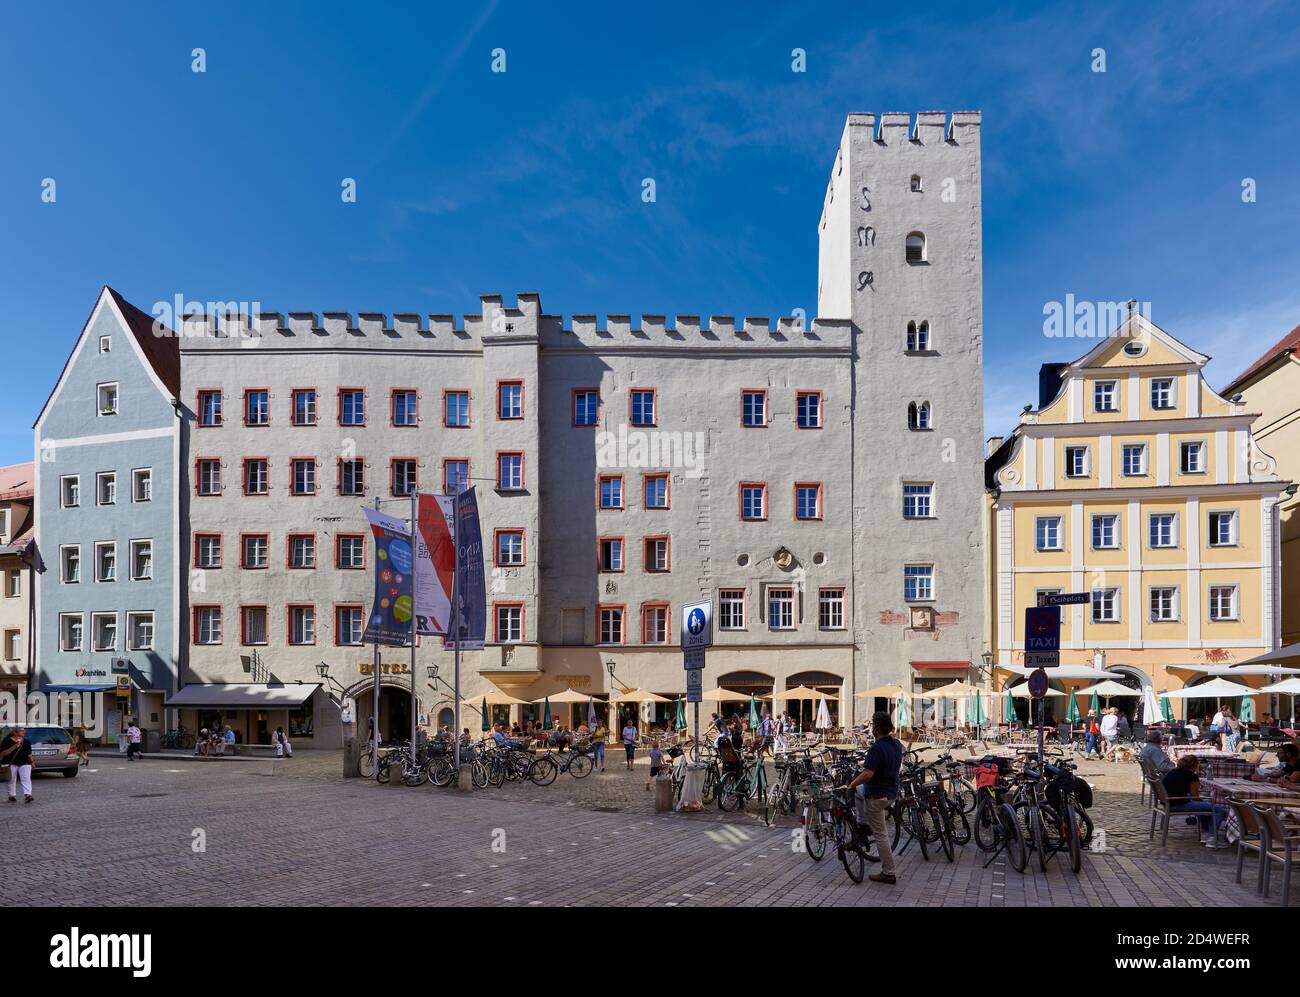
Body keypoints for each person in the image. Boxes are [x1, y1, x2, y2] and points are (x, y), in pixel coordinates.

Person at [845, 712, 903, 884]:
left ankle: (889, 872)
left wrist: (850, 784)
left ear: (876, 729)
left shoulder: (876, 748)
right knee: (858, 792)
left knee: (881, 835)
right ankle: (863, 825)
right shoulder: (896, 744)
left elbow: (868, 773)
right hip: (891, 791)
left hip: (877, 795)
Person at [1161, 755, 1227, 848]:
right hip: (1179, 804)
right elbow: (1195, 797)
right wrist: (1205, 800)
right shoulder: (1192, 776)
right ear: (1194, 765)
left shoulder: (1172, 772)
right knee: (1219, 810)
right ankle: (1212, 838)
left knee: (1205, 806)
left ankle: (1205, 834)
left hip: (1168, 803)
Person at [2, 725, 34, 803]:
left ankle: (28, 795)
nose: (24, 732)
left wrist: (32, 762)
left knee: (26, 778)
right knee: (11, 780)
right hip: (11, 763)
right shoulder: (6, 741)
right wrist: (15, 746)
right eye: (21, 731)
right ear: (15, 732)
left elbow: (29, 754)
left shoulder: (26, 741)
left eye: (24, 730)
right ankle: (11, 795)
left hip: (25, 762)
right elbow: (3, 753)